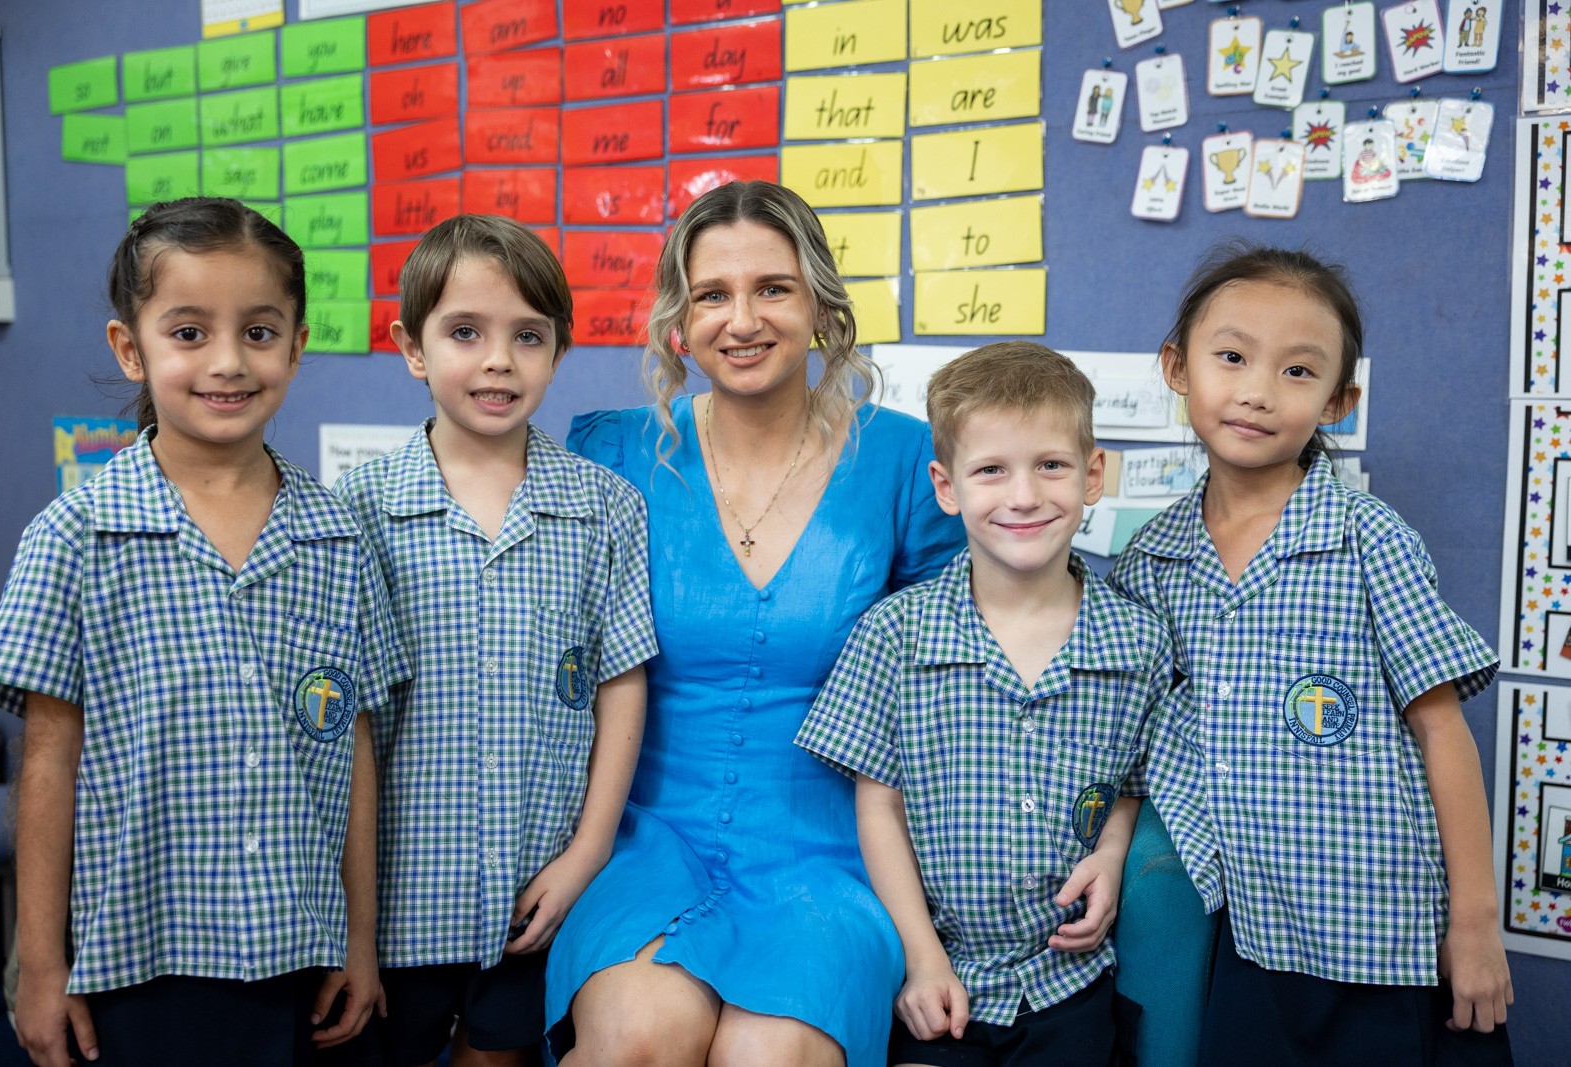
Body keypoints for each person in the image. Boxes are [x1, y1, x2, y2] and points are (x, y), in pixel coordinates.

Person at [0, 198, 405, 1066]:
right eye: (189, 332)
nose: (228, 361)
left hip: (300, 956)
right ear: (131, 348)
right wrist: (42, 965)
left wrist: (361, 939)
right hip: (136, 959)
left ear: (296, 342)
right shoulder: (77, 535)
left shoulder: (341, 540)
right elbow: (49, 761)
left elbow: (354, 743)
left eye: (258, 330)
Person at [544, 180, 965, 1067]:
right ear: (679, 321)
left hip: (834, 855)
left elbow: (967, 655)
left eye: (773, 288)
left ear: (818, 304)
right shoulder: (614, 450)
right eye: (713, 295)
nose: (743, 319)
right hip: (646, 833)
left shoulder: (903, 459)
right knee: (638, 1035)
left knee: (766, 1054)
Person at [1108, 244, 1514, 1065]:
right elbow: (1131, 737)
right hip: (1255, 942)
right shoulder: (1150, 561)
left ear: (1338, 401)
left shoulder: (1371, 540)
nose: (1257, 391)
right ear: (1177, 366)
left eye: (1298, 372)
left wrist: (1474, 924)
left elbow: (1443, 733)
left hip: (1385, 938)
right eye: (1231, 357)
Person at [335, 215, 655, 1067]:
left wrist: (586, 852)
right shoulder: (356, 511)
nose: (497, 361)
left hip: (532, 888)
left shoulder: (603, 508)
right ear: (411, 346)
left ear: (558, 348)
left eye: (527, 336)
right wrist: (350, 918)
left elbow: (621, 683)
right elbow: (345, 720)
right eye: (464, 332)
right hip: (394, 896)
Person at [797, 343, 1167, 1067]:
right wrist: (922, 958)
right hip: (944, 977)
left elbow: (1134, 782)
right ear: (946, 485)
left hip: (1072, 981)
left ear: (1094, 473)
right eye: (991, 469)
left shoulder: (1141, 642)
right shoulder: (895, 634)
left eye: (1051, 465)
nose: (1023, 495)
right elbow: (878, 806)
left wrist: (1115, 851)